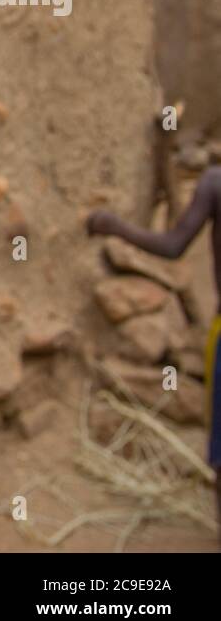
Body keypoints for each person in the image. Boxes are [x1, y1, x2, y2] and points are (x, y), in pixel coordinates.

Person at [87, 166, 221, 539]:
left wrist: (116, 227)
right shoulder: (214, 182)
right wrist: (117, 226)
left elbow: (174, 244)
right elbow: (174, 246)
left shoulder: (214, 182)